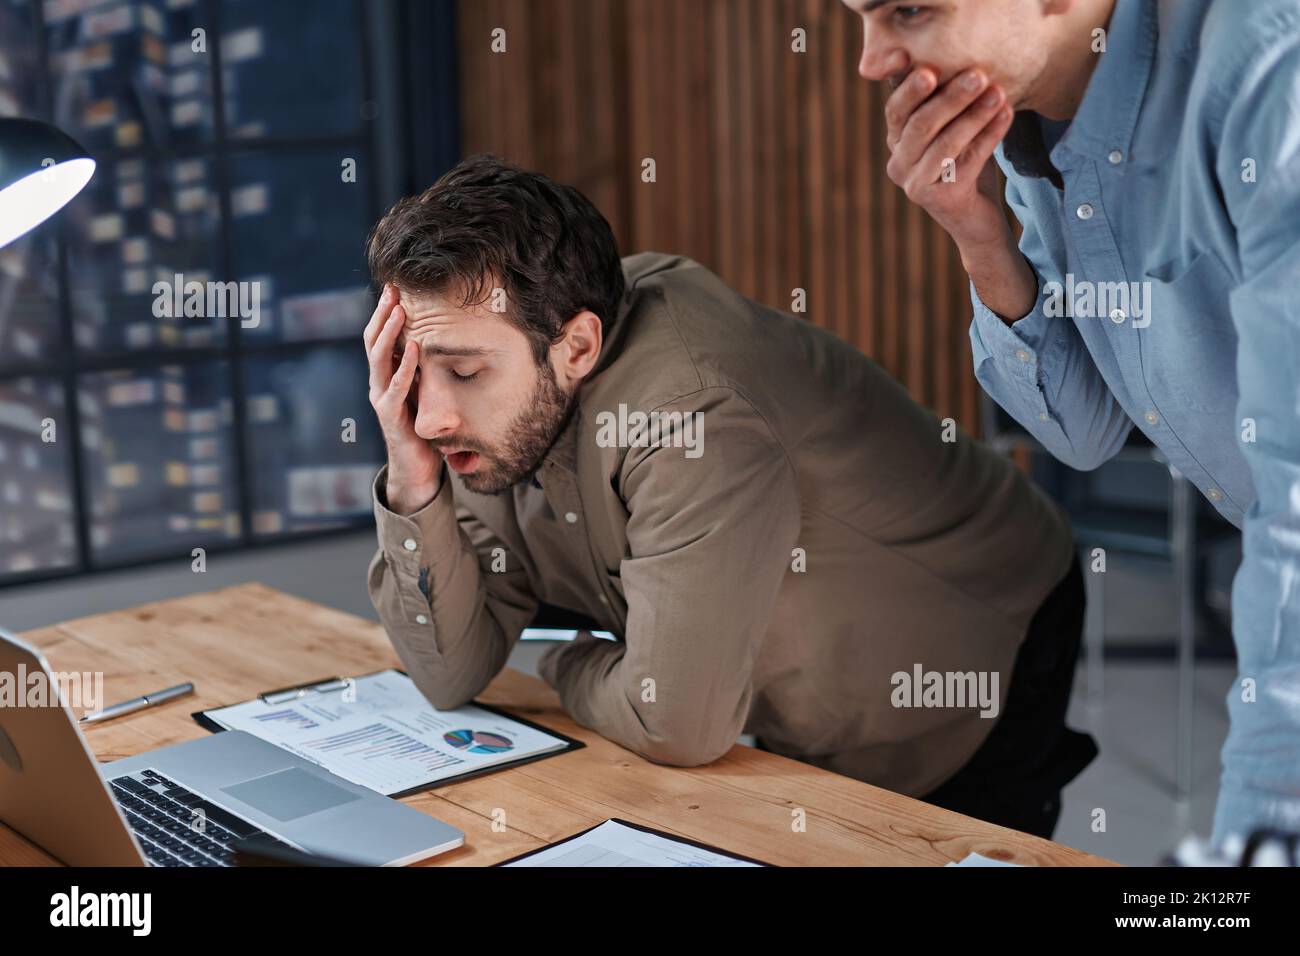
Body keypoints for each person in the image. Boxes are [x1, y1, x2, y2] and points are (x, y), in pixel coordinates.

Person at [363, 154, 1095, 838]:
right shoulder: (488, 412)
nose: (428, 416)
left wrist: (570, 663)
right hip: (798, 669)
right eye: (410, 368)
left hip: (981, 625)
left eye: (463, 372)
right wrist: (412, 479)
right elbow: (449, 671)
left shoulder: (691, 415)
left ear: (578, 347)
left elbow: (676, 722)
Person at [844, 0, 1300, 842]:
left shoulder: (1266, 74)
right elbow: (1085, 431)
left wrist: (1259, 837)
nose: (872, 60)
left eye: (906, 11)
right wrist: (977, 230)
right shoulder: (1041, 129)